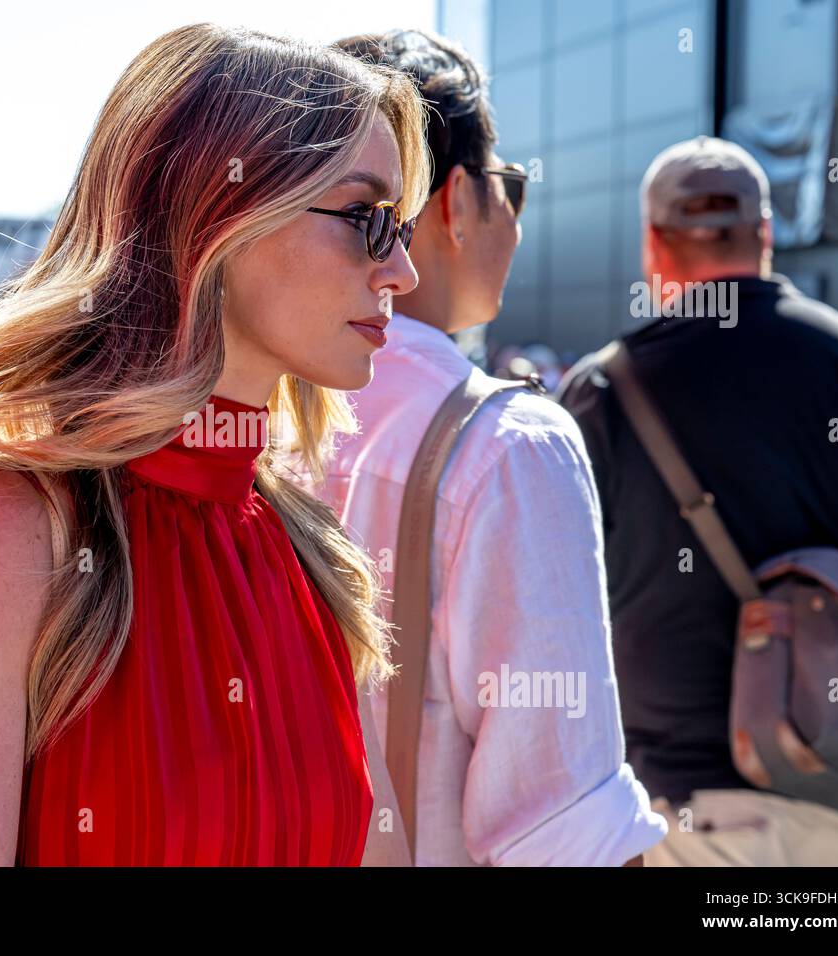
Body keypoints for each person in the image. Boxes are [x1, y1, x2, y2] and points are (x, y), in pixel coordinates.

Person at [0, 23, 430, 865]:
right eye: (364, 217)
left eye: (402, 226)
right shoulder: (8, 530)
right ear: (218, 214)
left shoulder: (310, 552)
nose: (402, 272)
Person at [323, 28, 667, 866]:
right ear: (453, 202)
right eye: (507, 185)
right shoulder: (508, 446)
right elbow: (564, 835)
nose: (511, 217)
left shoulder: (251, 417)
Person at [557, 136, 838, 865]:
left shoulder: (605, 391)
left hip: (693, 805)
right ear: (765, 235)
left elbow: (561, 608)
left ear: (653, 246)